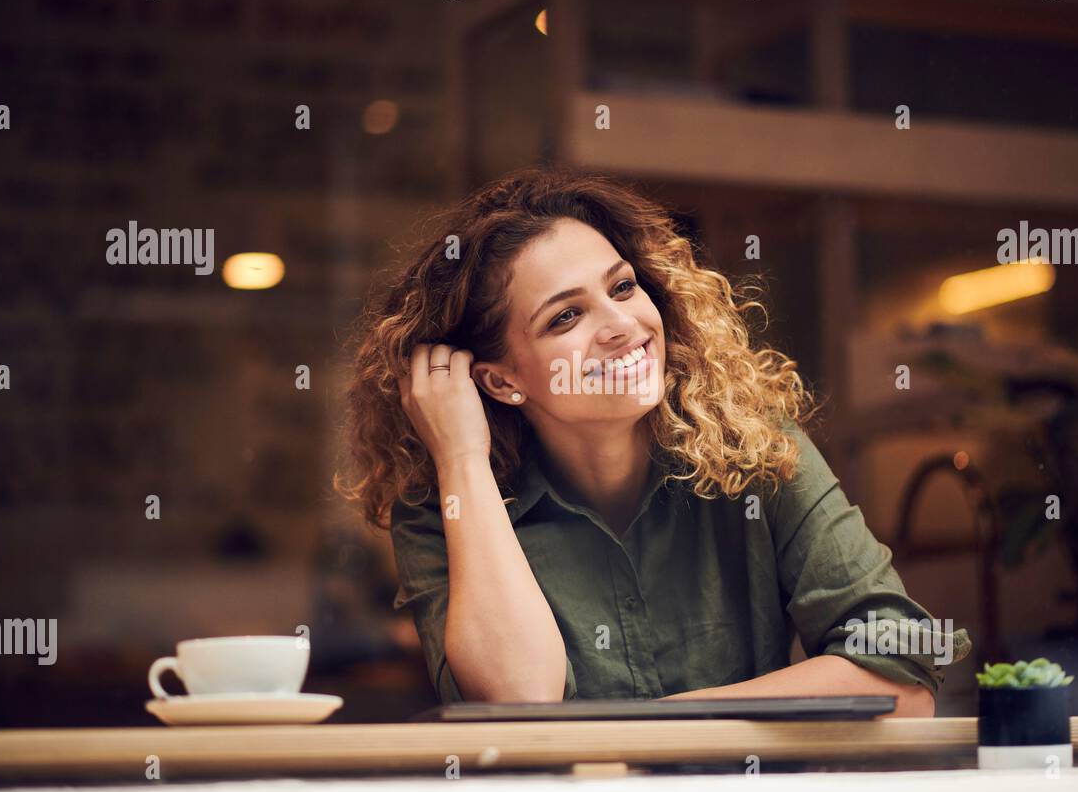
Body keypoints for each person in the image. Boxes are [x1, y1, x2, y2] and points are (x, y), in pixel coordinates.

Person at [335, 164, 970, 715]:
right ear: (499, 381)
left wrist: (642, 727)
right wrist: (463, 458)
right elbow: (519, 700)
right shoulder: (443, 508)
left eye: (621, 287)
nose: (622, 326)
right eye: (565, 317)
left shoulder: (756, 448)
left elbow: (904, 675)